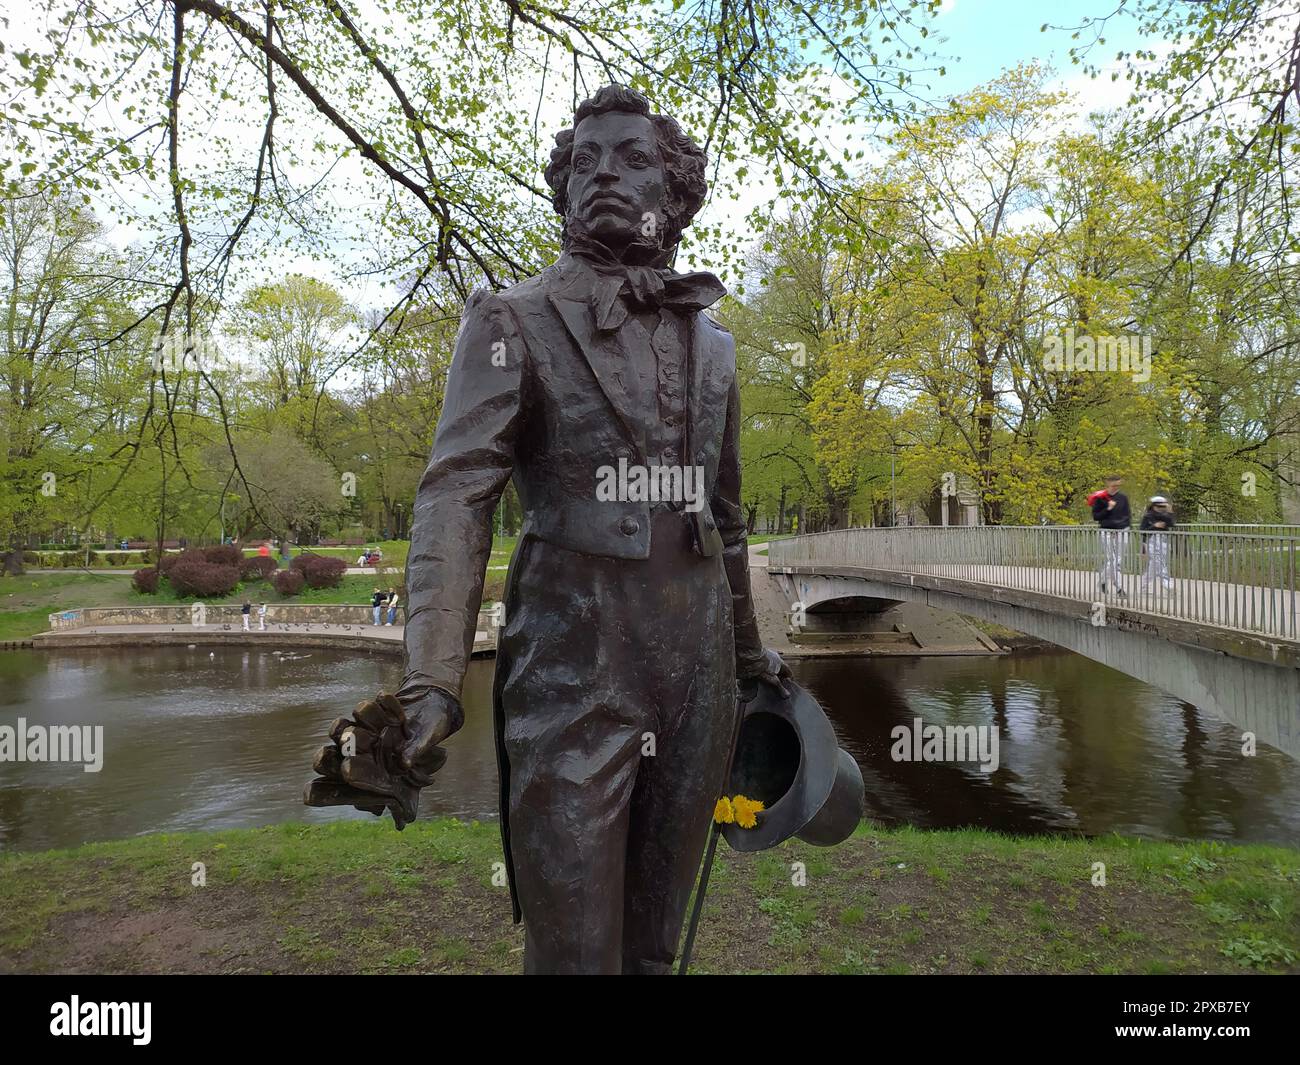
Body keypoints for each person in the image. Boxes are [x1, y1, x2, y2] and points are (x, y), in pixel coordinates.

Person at [307, 84, 788, 975]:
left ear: (677, 196)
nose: (604, 172)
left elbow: (724, 519)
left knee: (655, 947)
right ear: (563, 188)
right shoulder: (509, 320)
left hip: (699, 673)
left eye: (633, 158)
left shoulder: (715, 344)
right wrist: (431, 680)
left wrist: (754, 661)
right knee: (572, 953)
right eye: (585, 160)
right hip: (573, 670)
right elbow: (456, 495)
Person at [1090, 475, 1131, 597]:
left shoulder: (1123, 498)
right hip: (1106, 531)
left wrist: (1124, 527)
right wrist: (1108, 508)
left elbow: (1127, 515)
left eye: (1118, 485)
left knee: (1117, 560)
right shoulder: (1100, 498)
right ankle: (1119, 587)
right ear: (1108, 484)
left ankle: (1103, 581)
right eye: (1113, 485)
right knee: (1112, 559)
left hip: (1121, 531)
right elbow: (1096, 516)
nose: (1115, 487)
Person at [1140, 496, 1176, 591]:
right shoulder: (1148, 516)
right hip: (1152, 541)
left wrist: (1170, 512)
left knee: (1155, 564)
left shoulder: (1165, 515)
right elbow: (1142, 531)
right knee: (1160, 562)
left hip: (1164, 541)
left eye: (1163, 506)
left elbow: (1172, 523)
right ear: (1154, 506)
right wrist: (1154, 526)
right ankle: (1167, 584)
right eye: (1159, 506)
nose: (1161, 509)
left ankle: (1144, 583)